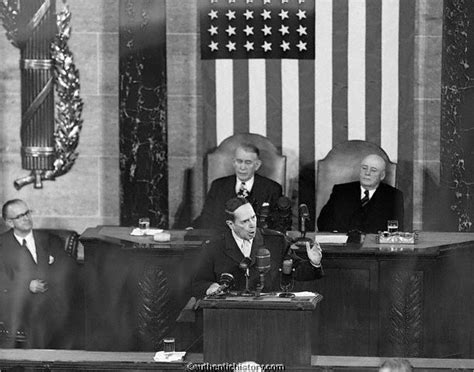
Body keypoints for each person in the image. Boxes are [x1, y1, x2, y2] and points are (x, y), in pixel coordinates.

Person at [192, 197, 323, 298]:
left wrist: (314, 263)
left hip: (268, 313)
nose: (252, 225)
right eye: (245, 221)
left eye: (253, 218)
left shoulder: (276, 241)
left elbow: (296, 270)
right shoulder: (214, 246)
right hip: (228, 315)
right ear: (231, 224)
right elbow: (198, 282)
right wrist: (210, 287)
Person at [0, 199, 75, 348]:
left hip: (51, 300)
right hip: (17, 302)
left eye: (27, 213)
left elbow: (67, 268)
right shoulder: (2, 245)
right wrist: (27, 285)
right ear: (9, 222)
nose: (26, 218)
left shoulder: (51, 240)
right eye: (20, 216)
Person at [192, 143, 283, 232]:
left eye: (248, 162)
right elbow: (206, 217)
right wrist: (191, 229)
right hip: (223, 242)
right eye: (239, 161)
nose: (242, 167)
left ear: (257, 165)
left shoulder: (272, 189)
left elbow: (277, 225)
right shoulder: (218, 186)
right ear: (234, 163)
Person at [317, 154, 404, 234]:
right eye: (364, 168)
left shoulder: (394, 196)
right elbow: (323, 222)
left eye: (373, 170)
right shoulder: (341, 191)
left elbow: (397, 230)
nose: (367, 173)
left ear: (382, 175)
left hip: (375, 249)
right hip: (343, 247)